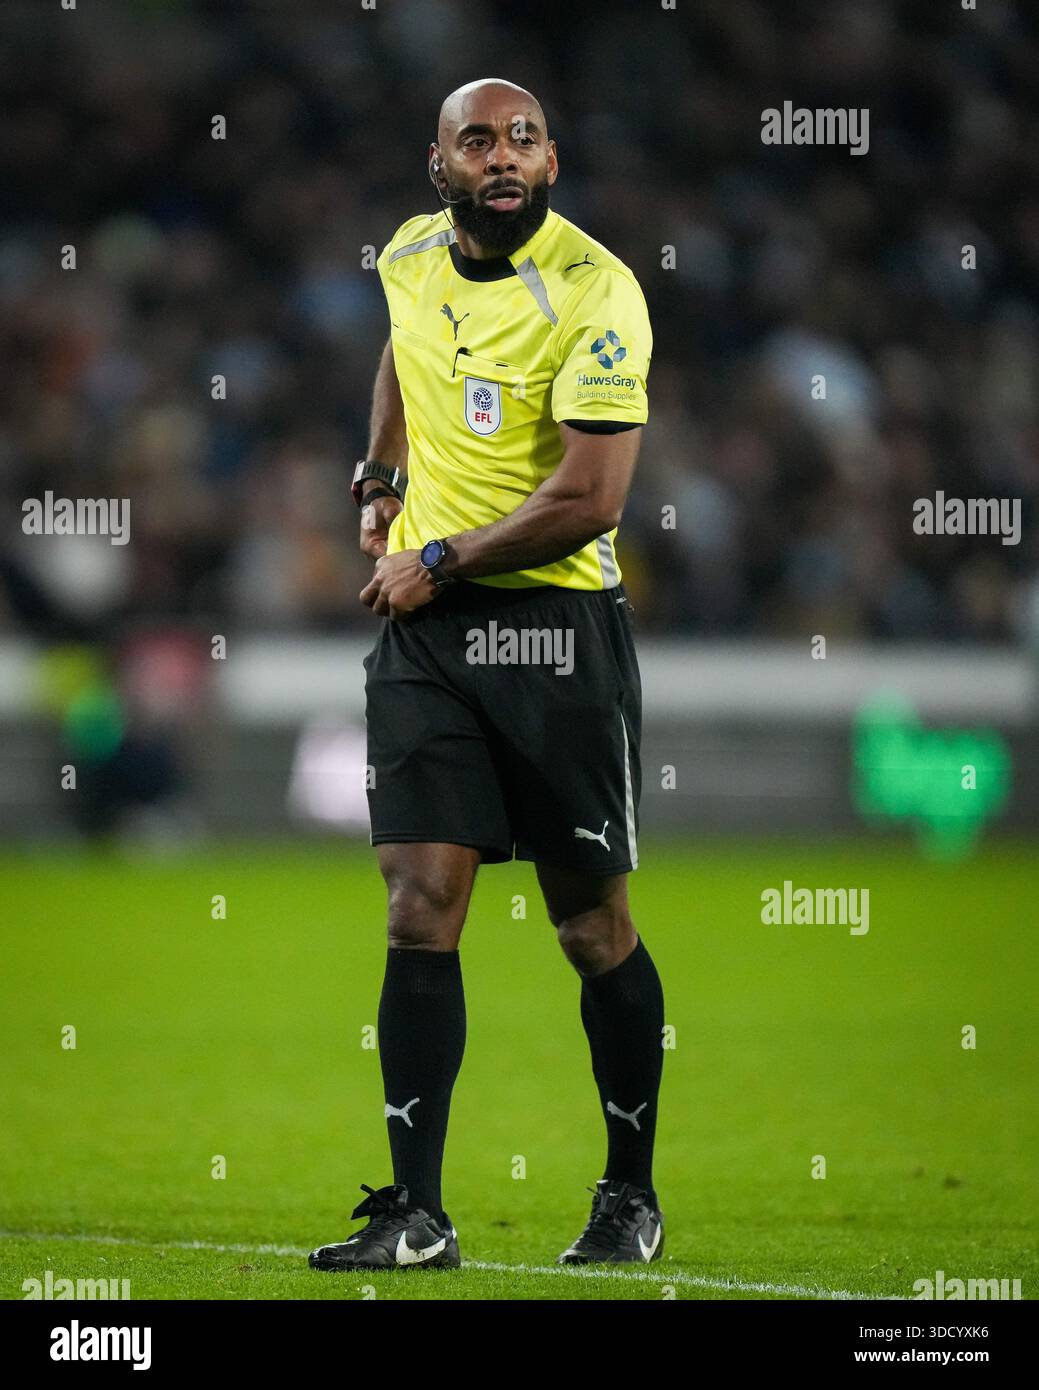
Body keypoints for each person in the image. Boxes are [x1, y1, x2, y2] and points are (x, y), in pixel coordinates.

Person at [309, 77, 665, 1272]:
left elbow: (591, 497)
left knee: (589, 925)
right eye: (479, 141)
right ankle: (415, 1212)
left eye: (522, 140)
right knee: (418, 908)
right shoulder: (409, 254)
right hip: (430, 639)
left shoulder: (595, 290)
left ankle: (628, 1192)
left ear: (551, 163)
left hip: (557, 635)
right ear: (440, 166)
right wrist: (378, 478)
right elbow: (406, 358)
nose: (502, 157)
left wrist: (441, 556)